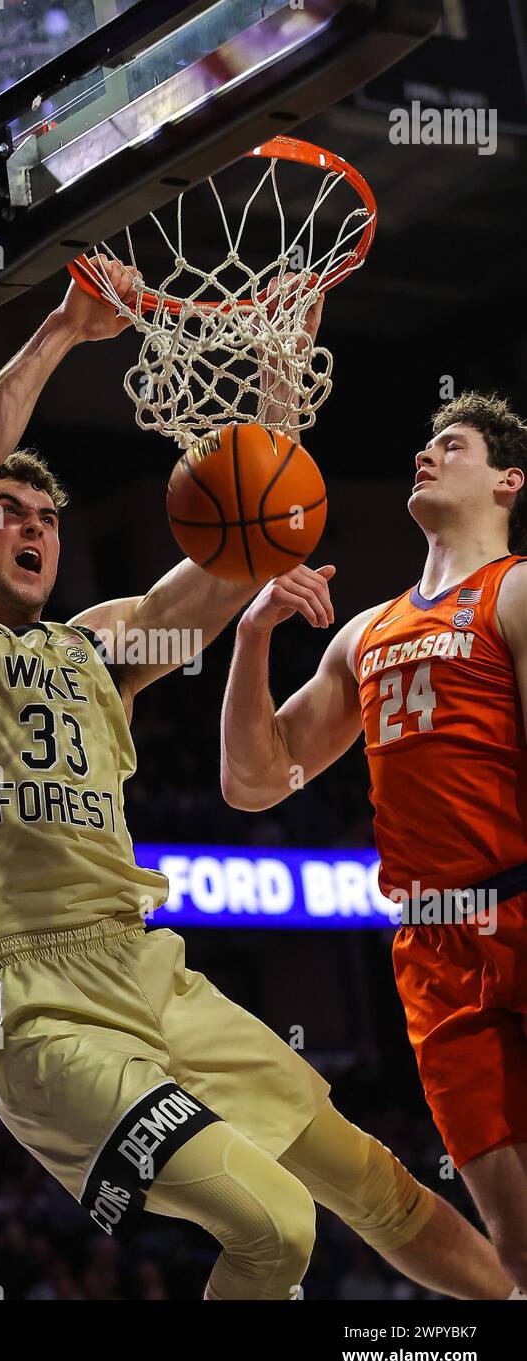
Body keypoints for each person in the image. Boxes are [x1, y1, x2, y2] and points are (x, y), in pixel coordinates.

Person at [0, 259, 512, 1299]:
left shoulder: (102, 649)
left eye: (46, 516)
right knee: (275, 1228)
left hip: (148, 971)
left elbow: (240, 546)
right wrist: (60, 335)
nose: (34, 526)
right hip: (38, 1006)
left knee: (375, 1184)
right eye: (10, 511)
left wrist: (273, 374)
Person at [221, 388, 527, 1296]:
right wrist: (250, 636)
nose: (427, 455)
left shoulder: (514, 591)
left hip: (519, 903)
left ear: (509, 480)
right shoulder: (365, 633)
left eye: (454, 445)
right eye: (426, 444)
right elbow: (254, 782)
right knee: (512, 1250)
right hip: (433, 947)